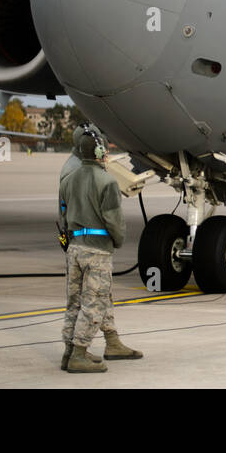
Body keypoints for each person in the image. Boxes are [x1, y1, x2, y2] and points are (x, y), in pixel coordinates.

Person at [58, 124, 142, 373]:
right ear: (98, 152)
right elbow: (115, 221)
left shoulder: (68, 179)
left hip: (74, 250)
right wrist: (117, 240)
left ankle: (69, 351)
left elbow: (63, 216)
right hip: (97, 252)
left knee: (74, 303)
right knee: (93, 304)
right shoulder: (107, 181)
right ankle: (79, 354)